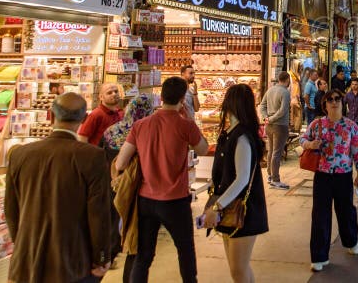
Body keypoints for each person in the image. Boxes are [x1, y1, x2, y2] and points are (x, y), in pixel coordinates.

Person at [5, 92, 111, 283]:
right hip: (73, 259)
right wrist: (101, 257)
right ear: (84, 119)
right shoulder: (92, 156)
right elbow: (98, 213)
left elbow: (11, 210)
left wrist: (22, 245)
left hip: (27, 259)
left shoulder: (20, 154)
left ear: (51, 116)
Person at [115, 77, 209, 283]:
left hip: (145, 200)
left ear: (161, 96)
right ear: (183, 98)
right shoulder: (186, 126)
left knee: (144, 255)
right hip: (175, 200)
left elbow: (120, 163)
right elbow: (203, 149)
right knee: (185, 250)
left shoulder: (141, 125)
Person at [201, 84, 269, 283]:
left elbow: (242, 179)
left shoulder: (241, 138)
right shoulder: (230, 134)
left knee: (238, 270)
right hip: (230, 208)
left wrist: (217, 206)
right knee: (239, 269)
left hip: (243, 211)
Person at [300, 89, 358, 272]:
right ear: (325, 104)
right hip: (322, 176)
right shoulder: (317, 124)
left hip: (344, 175)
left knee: (346, 212)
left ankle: (351, 241)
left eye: (337, 99)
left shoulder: (351, 126)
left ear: (342, 102)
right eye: (330, 99)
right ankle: (319, 256)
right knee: (320, 215)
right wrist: (309, 144)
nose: (334, 102)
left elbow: (357, 153)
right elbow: (302, 139)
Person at [101, 94, 155, 277]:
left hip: (112, 184)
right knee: (135, 241)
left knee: (112, 228)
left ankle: (107, 257)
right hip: (135, 189)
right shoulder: (145, 133)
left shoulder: (110, 131)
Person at [259, 72, 292, 190]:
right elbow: (283, 111)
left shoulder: (270, 90)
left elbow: (261, 106)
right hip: (280, 125)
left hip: (269, 125)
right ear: (287, 79)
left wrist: (265, 118)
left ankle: (270, 175)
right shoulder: (285, 92)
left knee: (271, 151)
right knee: (277, 152)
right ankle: (275, 179)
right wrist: (271, 119)